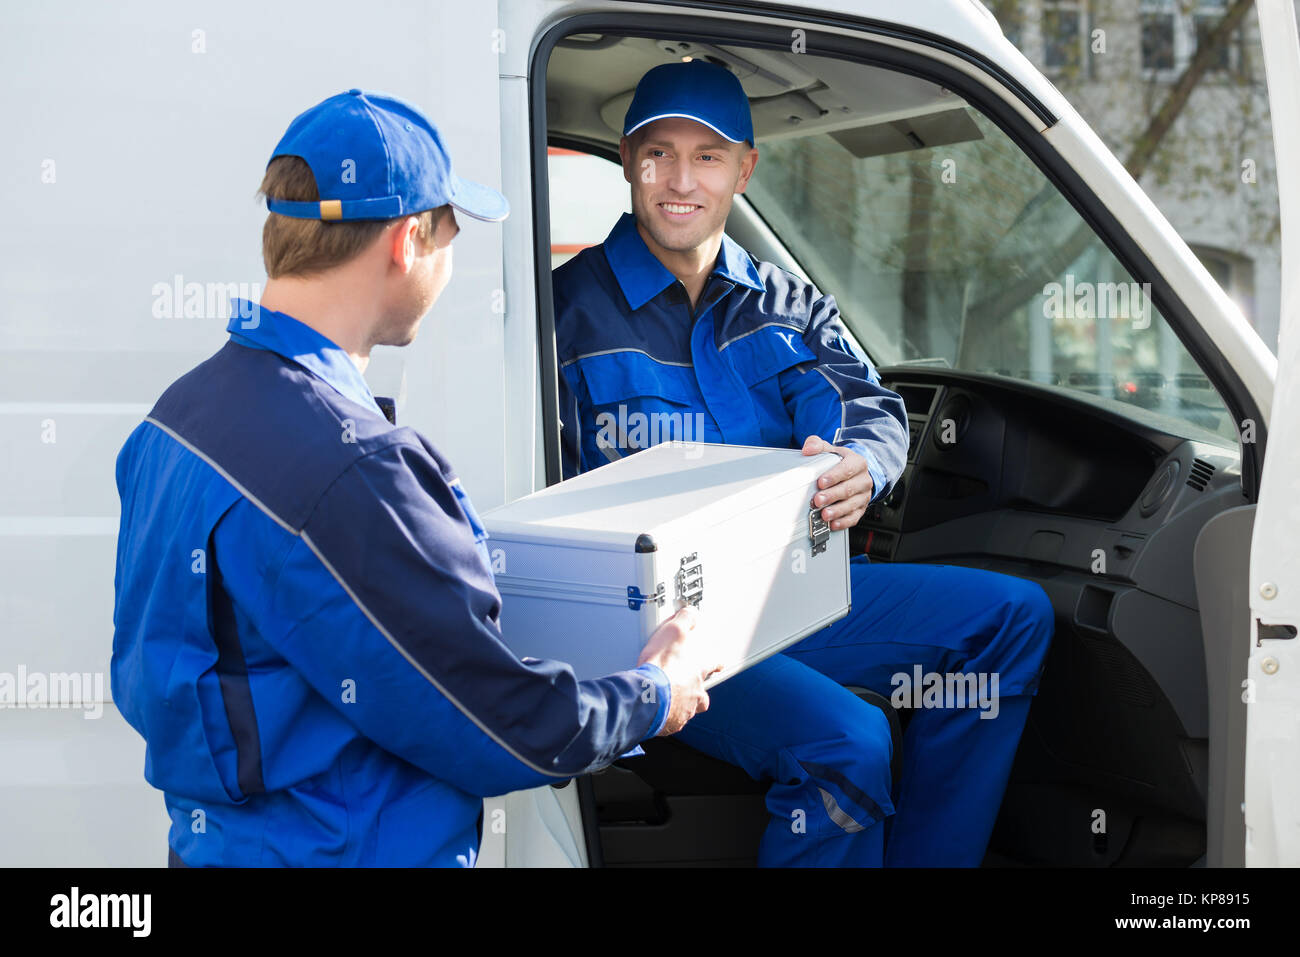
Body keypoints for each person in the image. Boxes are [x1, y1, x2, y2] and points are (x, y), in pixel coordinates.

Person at [111, 89, 716, 868]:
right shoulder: (352, 464)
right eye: (451, 234)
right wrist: (653, 691)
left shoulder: (176, 418)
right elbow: (502, 726)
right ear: (406, 242)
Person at [553, 61, 1056, 866]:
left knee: (1009, 618)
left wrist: (860, 461)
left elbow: (864, 404)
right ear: (627, 160)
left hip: (789, 595)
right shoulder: (565, 315)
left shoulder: (788, 303)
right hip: (661, 631)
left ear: (746, 168)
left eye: (708, 156)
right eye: (659, 154)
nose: (681, 180)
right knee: (850, 742)